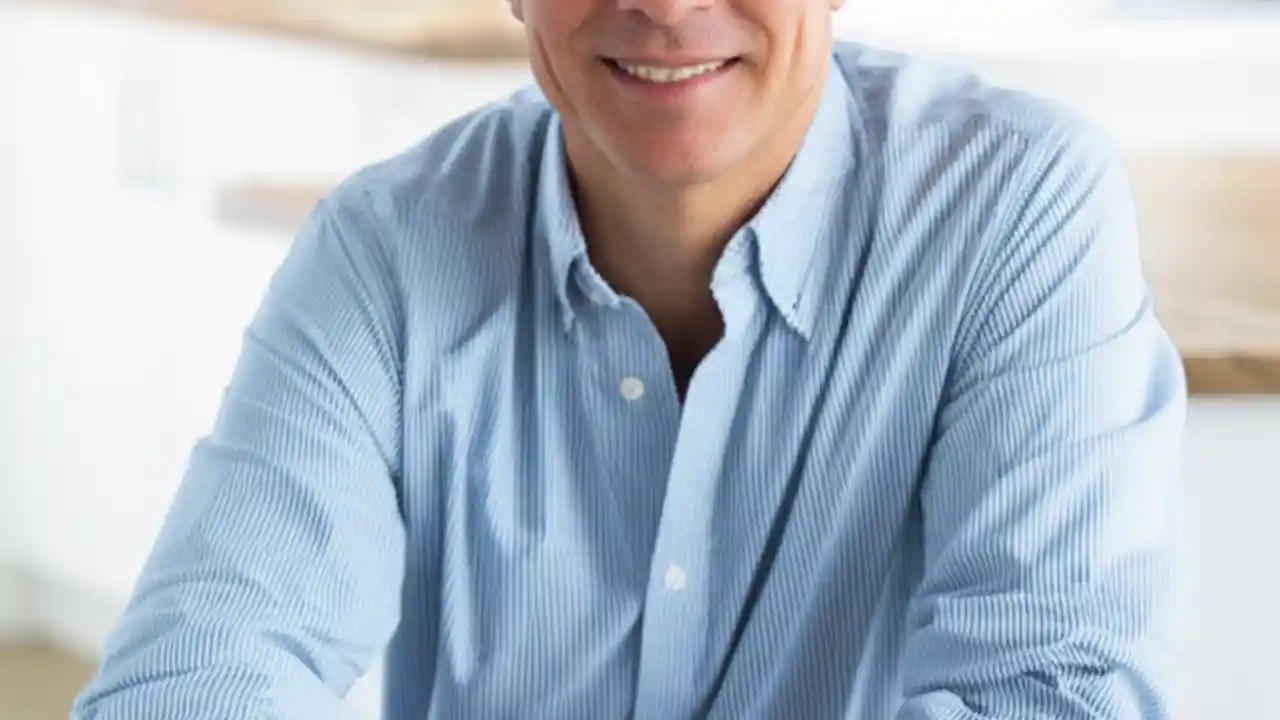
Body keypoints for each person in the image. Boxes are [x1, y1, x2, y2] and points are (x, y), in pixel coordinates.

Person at [72, 0, 1187, 717]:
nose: (661, 3)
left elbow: (1050, 694)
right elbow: (199, 676)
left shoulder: (1011, 205)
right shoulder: (387, 251)